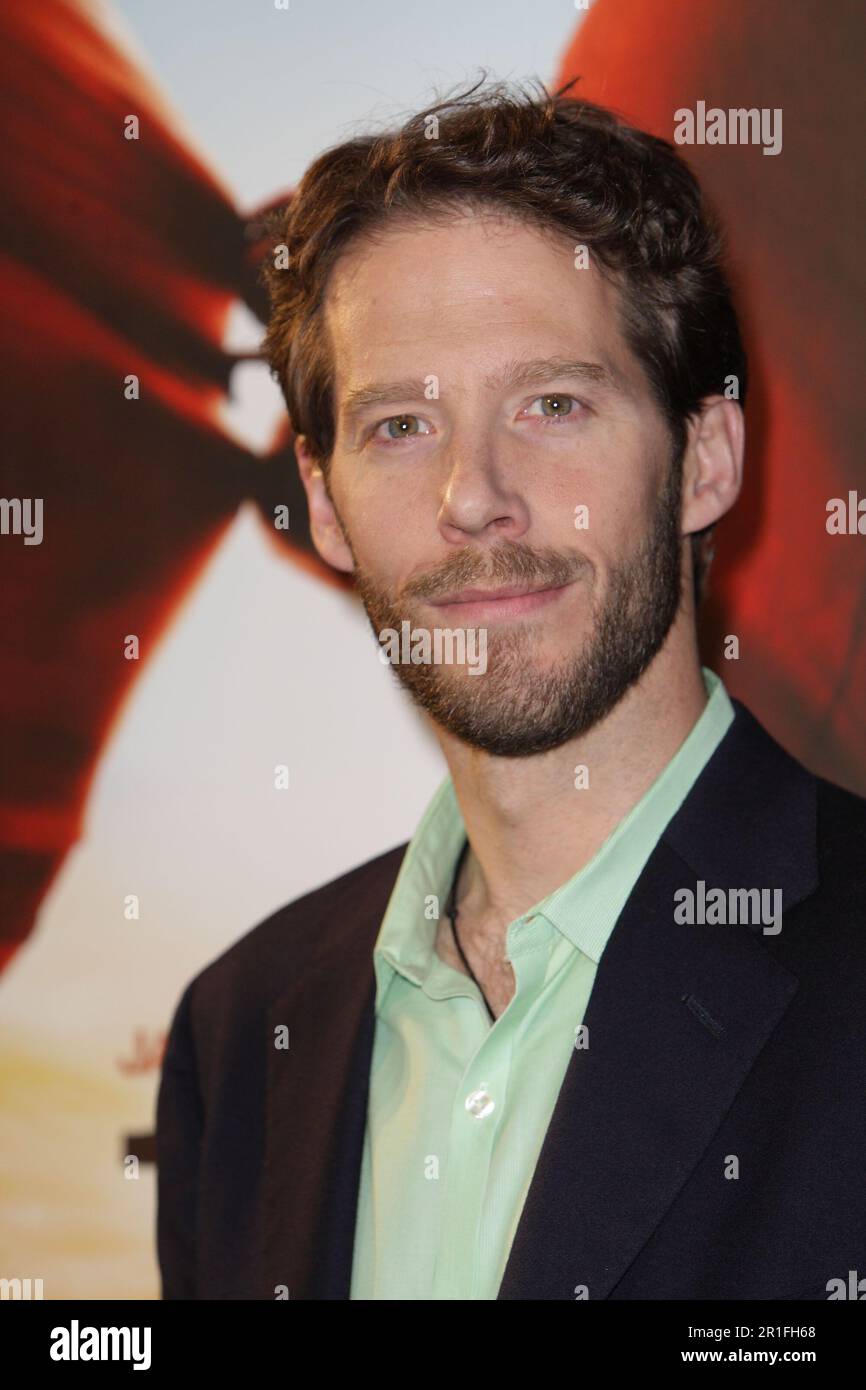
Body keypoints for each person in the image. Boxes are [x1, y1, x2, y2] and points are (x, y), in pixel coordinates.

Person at [155, 77, 866, 1300]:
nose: (471, 496)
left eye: (550, 403)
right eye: (397, 426)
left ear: (702, 459)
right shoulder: (241, 1033)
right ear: (322, 503)